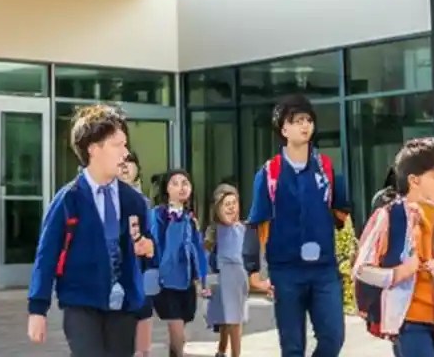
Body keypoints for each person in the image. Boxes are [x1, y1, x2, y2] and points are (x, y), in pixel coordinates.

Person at [27, 104, 155, 357]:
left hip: (124, 307)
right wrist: (37, 310)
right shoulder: (69, 200)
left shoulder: (135, 201)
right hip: (81, 303)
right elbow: (47, 256)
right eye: (118, 145)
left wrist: (150, 248)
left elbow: (153, 250)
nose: (125, 153)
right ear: (94, 149)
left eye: (125, 145)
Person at [246, 94, 352, 357]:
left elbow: (343, 212)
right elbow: (255, 222)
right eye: (297, 121)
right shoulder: (269, 173)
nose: (304, 126)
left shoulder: (326, 168)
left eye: (308, 120)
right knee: (292, 347)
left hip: (324, 270)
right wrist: (253, 270)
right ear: (283, 129)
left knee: (333, 337)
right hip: (286, 271)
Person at [352, 137, 434, 357]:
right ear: (414, 180)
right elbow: (361, 269)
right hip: (406, 318)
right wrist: (399, 272)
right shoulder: (388, 216)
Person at [151, 169, 210, 357]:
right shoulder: (158, 215)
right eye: (175, 183)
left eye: (185, 183)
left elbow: (198, 250)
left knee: (180, 335)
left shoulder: (190, 219)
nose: (181, 187)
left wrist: (202, 279)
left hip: (186, 283)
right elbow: (155, 245)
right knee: (177, 332)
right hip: (166, 283)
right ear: (166, 189)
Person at [204, 183, 268, 357]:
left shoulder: (244, 229)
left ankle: (227, 352)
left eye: (234, 203)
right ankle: (226, 351)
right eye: (227, 204)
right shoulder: (215, 230)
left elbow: (251, 256)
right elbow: (206, 254)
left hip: (237, 277)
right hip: (222, 277)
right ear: (218, 209)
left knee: (233, 318)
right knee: (227, 318)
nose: (232, 208)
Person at [120, 153, 154, 357]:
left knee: (142, 346)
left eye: (130, 162)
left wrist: (149, 246)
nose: (125, 167)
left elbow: (153, 239)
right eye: (121, 162)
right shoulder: (105, 199)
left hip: (140, 275)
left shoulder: (144, 203)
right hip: (115, 277)